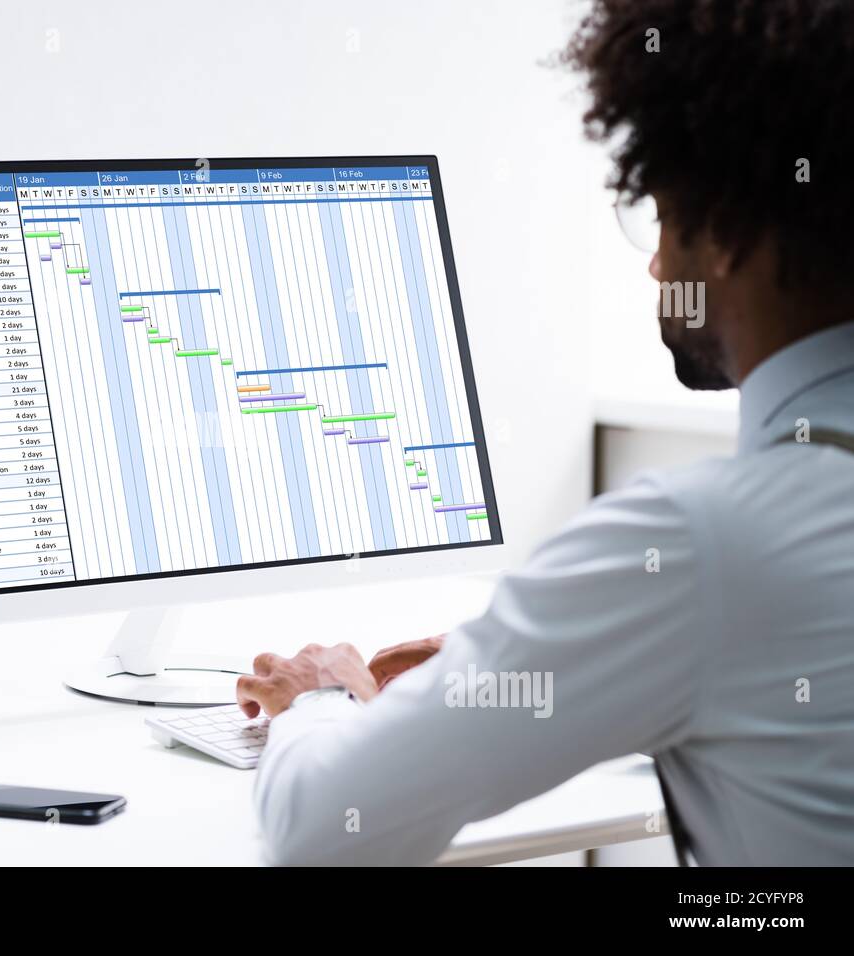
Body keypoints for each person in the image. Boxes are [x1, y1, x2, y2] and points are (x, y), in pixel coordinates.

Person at [241, 0, 854, 866]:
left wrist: (318, 699)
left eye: (661, 213)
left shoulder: (698, 542)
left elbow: (319, 831)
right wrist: (573, 656)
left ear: (725, 229)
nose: (653, 262)